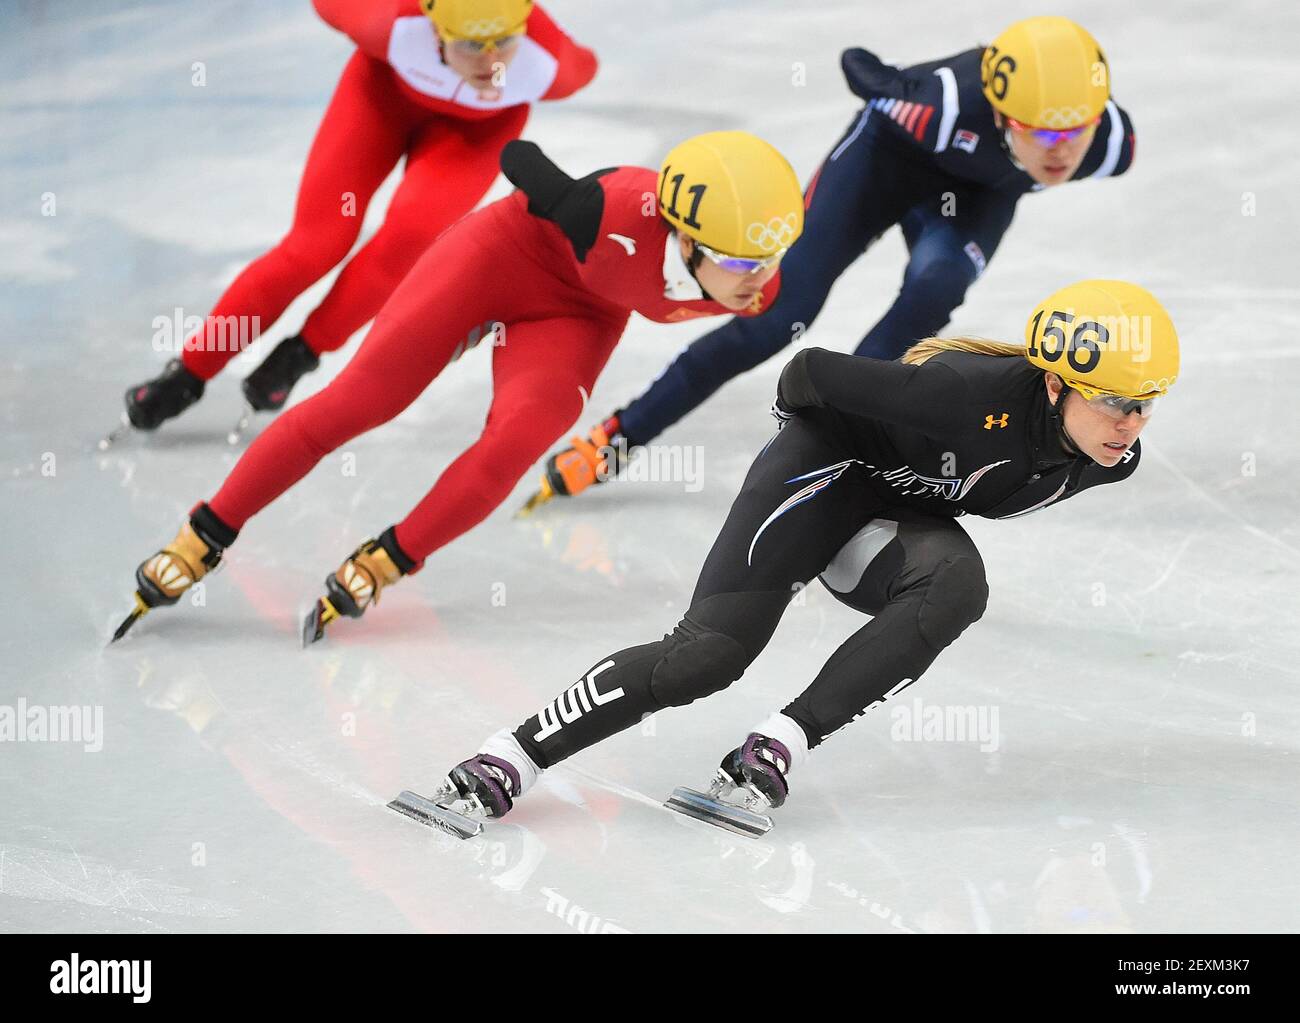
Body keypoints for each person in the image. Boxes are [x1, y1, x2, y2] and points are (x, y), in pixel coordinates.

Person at [411, 280, 1179, 834]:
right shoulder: (961, 396)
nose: (1130, 423)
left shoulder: (1107, 459)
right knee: (706, 658)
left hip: (888, 514)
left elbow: (945, 495)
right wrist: (790, 479)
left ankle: (771, 747)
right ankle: (507, 757)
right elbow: (809, 371)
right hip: (817, 475)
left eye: (1145, 402)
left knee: (957, 585)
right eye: (1113, 400)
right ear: (1055, 384)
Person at [111, 131, 806, 643]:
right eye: (743, 257)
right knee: (362, 400)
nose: (759, 276)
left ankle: (389, 556)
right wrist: (558, 196)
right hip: (497, 258)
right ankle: (205, 534)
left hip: (577, 314)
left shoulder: (753, 286)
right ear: (683, 237)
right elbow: (520, 158)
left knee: (524, 434)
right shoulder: (612, 213)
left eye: (771, 255)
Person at [525, 16, 1138, 511]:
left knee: (937, 282)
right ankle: (622, 435)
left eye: (1075, 134)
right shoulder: (941, 103)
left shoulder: (1109, 145)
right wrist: (877, 78)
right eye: (1043, 135)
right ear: (1002, 115)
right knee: (777, 316)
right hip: (888, 162)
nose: (1061, 153)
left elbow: (1071, 138)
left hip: (974, 198)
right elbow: (859, 65)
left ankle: (834, 433)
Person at [117, 0, 596, 436]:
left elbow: (587, 65)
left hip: (474, 138)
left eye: (505, 42)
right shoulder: (387, 24)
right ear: (434, 30)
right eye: (471, 44)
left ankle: (303, 353)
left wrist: (311, 344)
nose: (491, 63)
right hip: (379, 99)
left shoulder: (551, 65)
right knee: (313, 248)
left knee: (410, 237)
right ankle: (189, 371)